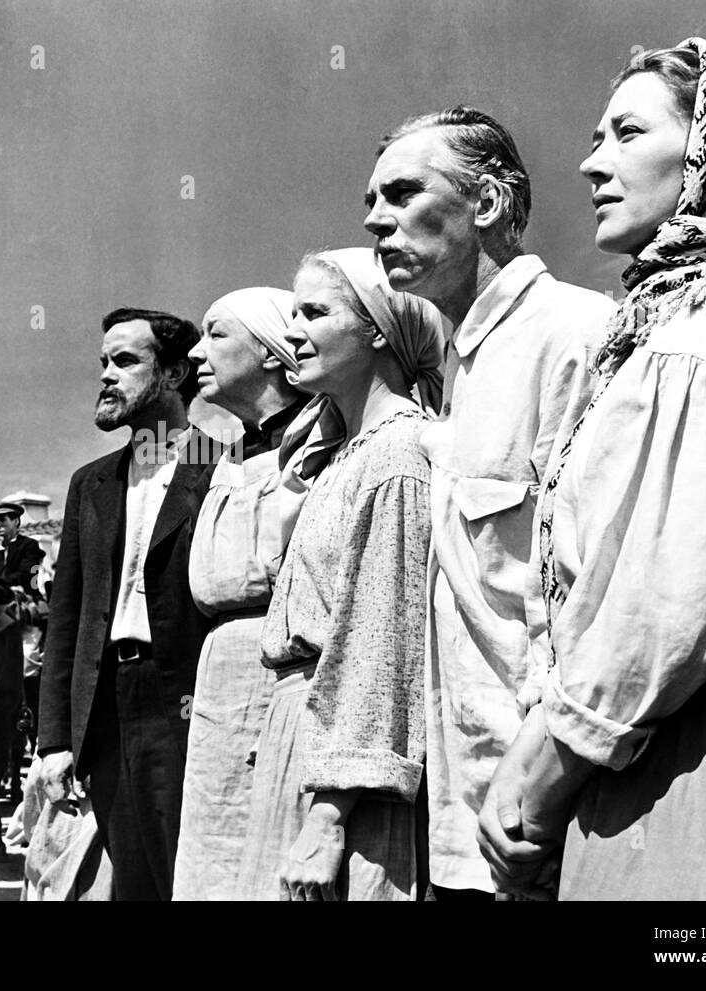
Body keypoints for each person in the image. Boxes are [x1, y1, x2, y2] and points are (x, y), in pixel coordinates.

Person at [479, 38, 706, 901]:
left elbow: (665, 595)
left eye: (627, 133)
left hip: (700, 750)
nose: (591, 162)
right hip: (658, 740)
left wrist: (538, 771)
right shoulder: (679, 323)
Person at [363, 106, 618, 899]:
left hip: (547, 812)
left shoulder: (578, 333)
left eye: (403, 193)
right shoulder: (459, 364)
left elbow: (598, 591)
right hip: (463, 811)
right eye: (373, 201)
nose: (377, 219)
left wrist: (544, 779)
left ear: (490, 203)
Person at [237, 248, 444, 901]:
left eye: (315, 312)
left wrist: (328, 818)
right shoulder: (342, 457)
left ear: (378, 330)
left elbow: (385, 650)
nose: (293, 330)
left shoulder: (399, 453)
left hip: (352, 775)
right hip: (305, 738)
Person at [37, 307, 224, 900]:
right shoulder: (91, 482)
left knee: (190, 878)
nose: (106, 376)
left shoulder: (223, 465)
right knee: (131, 883)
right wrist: (54, 740)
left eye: (124, 361)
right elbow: (65, 618)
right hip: (108, 708)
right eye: (103, 363)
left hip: (187, 705)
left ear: (172, 376)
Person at [172, 286, 308, 900]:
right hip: (220, 670)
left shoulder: (318, 443)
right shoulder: (223, 457)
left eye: (217, 334)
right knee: (212, 850)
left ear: (272, 349)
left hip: (285, 667)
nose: (199, 352)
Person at [0, 501, 45, 594]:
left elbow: (28, 575)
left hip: (28, 595)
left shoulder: (29, 545)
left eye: (2, 520)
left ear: (16, 521)